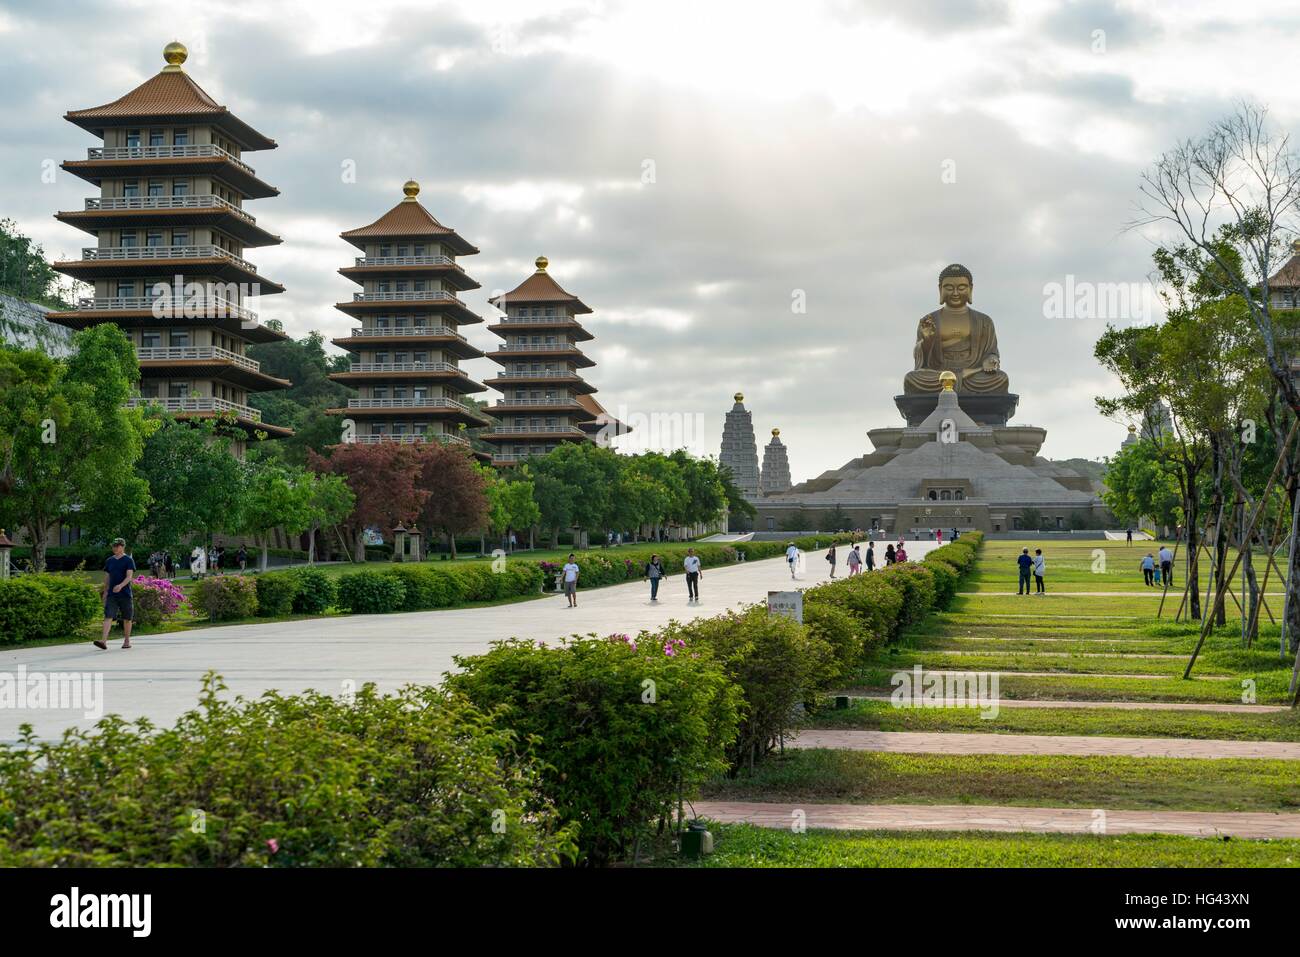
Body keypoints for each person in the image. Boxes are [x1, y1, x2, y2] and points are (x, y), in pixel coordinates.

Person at [94, 538, 135, 651]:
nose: (115, 548)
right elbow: (107, 577)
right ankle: (103, 641)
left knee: (127, 618)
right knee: (108, 615)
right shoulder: (109, 561)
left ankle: (126, 641)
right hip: (112, 594)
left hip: (125, 594)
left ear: (123, 547)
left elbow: (129, 577)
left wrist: (121, 586)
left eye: (118, 546)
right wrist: (105, 591)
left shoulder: (128, 560)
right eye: (114, 546)